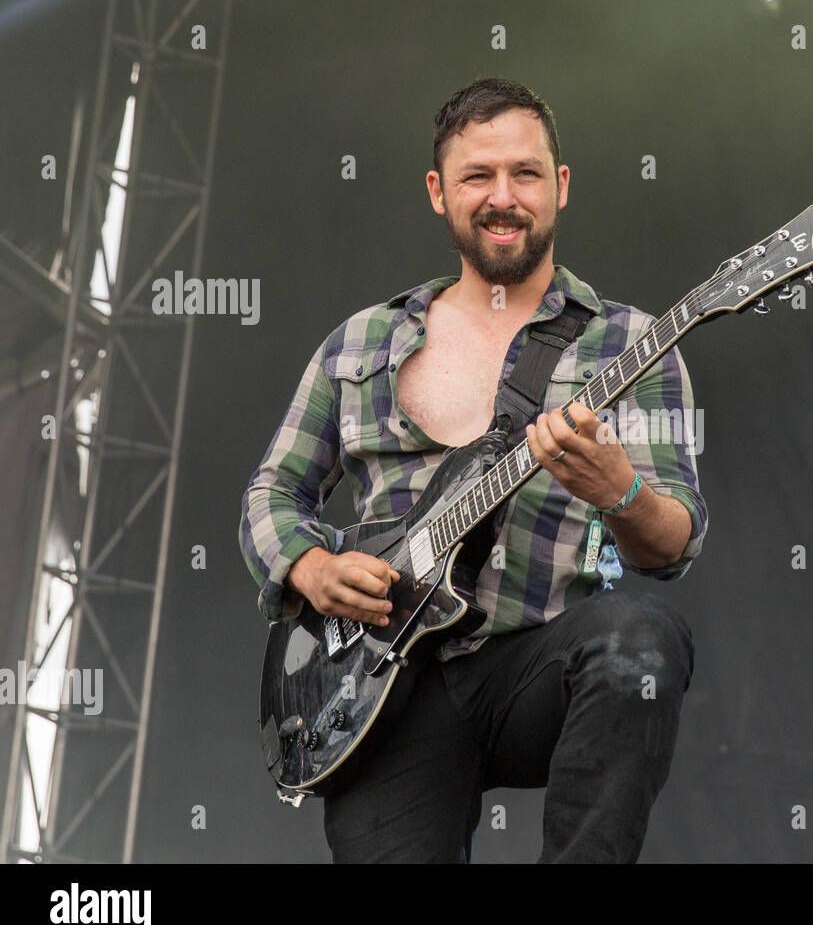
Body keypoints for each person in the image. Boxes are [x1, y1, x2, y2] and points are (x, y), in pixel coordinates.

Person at [238, 77, 707, 863]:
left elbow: (674, 542)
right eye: (477, 176)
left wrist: (620, 492)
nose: (503, 196)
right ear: (438, 192)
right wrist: (312, 568)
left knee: (641, 639)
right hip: (380, 691)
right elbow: (273, 492)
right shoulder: (357, 344)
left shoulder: (633, 345)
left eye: (525, 173)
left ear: (558, 186)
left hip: (536, 664)